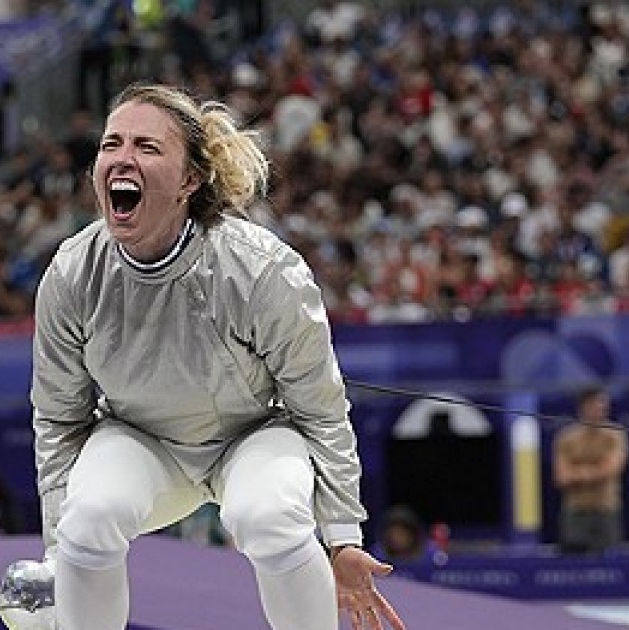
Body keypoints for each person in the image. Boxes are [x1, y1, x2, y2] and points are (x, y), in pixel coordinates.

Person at [30, 83, 403, 630]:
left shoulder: (261, 269)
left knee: (269, 515)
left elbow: (321, 410)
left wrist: (342, 536)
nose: (122, 158)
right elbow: (59, 421)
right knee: (85, 520)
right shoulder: (71, 274)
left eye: (147, 147)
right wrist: (58, 557)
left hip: (250, 436)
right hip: (142, 442)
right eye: (111, 144)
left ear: (190, 179)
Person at [552, 386, 629, 555]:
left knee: (610, 565)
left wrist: (578, 472)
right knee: (574, 563)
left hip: (606, 510)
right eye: (596, 406)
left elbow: (612, 470)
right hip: (575, 511)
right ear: (584, 407)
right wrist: (596, 470)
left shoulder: (615, 435)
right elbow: (562, 477)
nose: (601, 410)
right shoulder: (566, 438)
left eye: (604, 407)